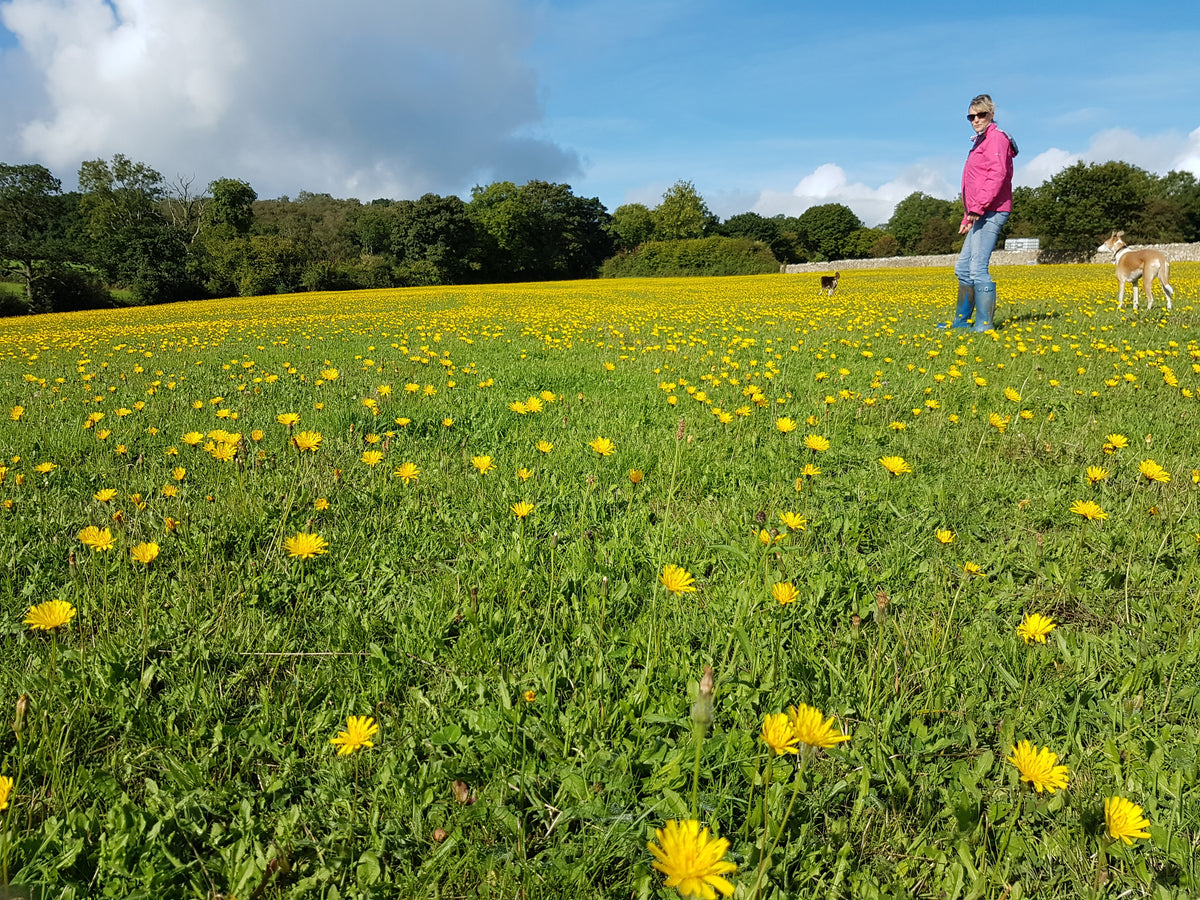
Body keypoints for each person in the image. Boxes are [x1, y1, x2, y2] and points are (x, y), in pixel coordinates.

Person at [941, 94, 1018, 331]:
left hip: (992, 210)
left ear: (991, 114)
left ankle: (984, 324)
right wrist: (968, 216)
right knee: (963, 268)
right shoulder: (980, 141)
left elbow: (997, 175)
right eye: (971, 116)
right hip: (979, 211)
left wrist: (977, 208)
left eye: (981, 114)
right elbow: (974, 183)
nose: (976, 119)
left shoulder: (996, 139)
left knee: (977, 268)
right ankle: (961, 322)